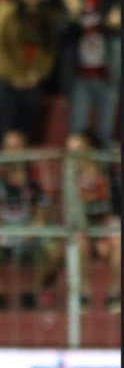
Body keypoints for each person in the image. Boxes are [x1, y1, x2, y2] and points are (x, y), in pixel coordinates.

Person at [0, 130, 59, 311]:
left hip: (28, 236)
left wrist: (34, 231)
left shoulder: (34, 182)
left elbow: (42, 216)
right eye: (8, 147)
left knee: (54, 250)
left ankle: (31, 294)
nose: (12, 152)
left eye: (17, 147)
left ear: (25, 151)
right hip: (3, 236)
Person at [0, 0, 61, 151]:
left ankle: (19, 175)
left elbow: (50, 48)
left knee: (24, 133)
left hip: (31, 81)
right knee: (1, 130)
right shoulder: (6, 9)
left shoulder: (44, 14)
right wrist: (14, 76)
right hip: (5, 79)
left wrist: (38, 74)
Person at [63, 0, 121, 148]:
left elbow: (115, 24)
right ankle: (72, 178)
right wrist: (71, 17)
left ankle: (106, 178)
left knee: (105, 134)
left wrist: (110, 24)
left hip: (108, 75)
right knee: (76, 134)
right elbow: (60, 32)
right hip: (80, 75)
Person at [66, 132, 121, 312]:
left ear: (90, 149)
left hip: (106, 227)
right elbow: (73, 214)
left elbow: (116, 209)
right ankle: (83, 295)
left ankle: (115, 294)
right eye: (71, 152)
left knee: (119, 245)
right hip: (84, 228)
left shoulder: (107, 174)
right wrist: (91, 238)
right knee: (78, 244)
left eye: (79, 150)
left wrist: (105, 236)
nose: (75, 156)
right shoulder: (70, 178)